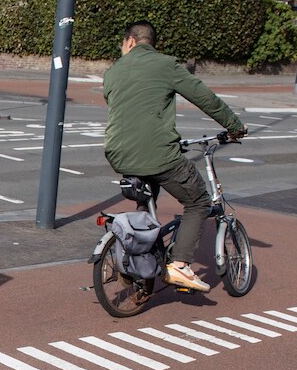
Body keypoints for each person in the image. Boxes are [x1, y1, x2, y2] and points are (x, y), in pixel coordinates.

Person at [102, 20, 247, 293]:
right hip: (156, 152)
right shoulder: (166, 65)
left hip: (117, 152)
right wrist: (234, 126)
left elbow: (124, 106)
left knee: (147, 200)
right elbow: (204, 97)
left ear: (130, 42)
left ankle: (138, 258)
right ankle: (180, 265)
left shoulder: (113, 71)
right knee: (198, 201)